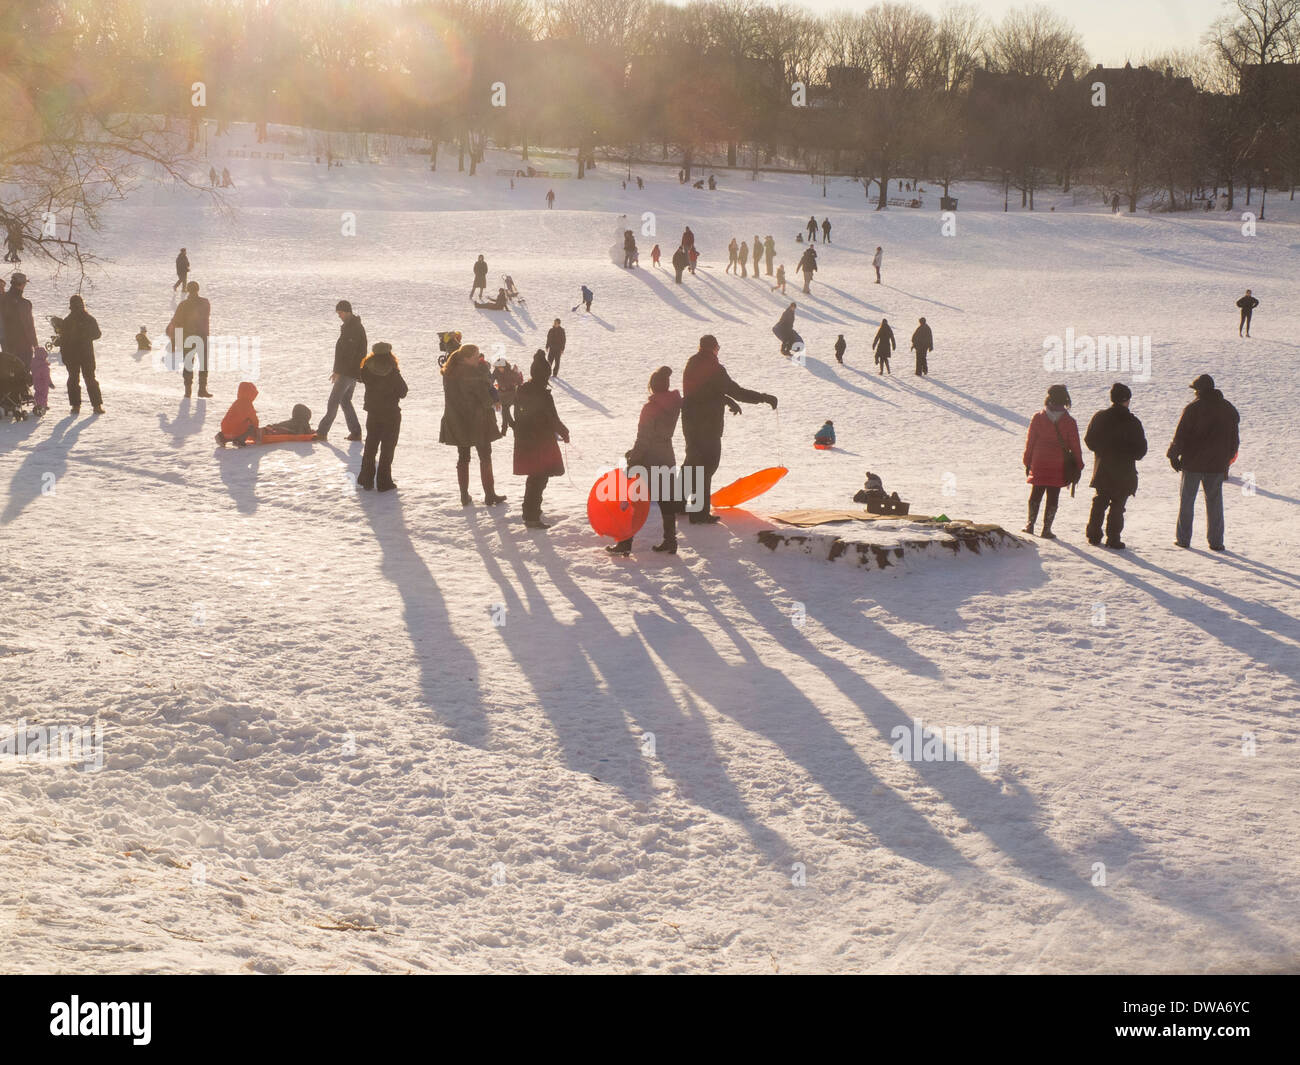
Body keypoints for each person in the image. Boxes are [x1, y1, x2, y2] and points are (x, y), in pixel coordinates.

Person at [680, 335, 777, 524]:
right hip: (707, 424)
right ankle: (698, 513)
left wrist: (725, 400)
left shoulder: (692, 363)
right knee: (707, 465)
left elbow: (702, 391)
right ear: (715, 348)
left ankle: (678, 502)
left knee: (692, 462)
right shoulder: (714, 367)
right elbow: (736, 390)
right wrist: (764, 397)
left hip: (690, 420)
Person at [609, 365, 682, 556]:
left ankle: (625, 543)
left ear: (652, 387)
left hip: (649, 459)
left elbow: (643, 438)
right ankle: (670, 541)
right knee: (666, 500)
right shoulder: (674, 404)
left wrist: (633, 460)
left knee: (633, 500)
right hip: (666, 455)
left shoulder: (650, 408)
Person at [1167, 374, 1239, 551]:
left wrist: (1173, 456)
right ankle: (1216, 542)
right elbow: (1234, 439)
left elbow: (1181, 435)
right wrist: (1226, 459)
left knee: (1187, 501)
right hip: (1216, 465)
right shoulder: (1228, 408)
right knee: (1215, 502)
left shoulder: (1193, 408)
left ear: (1200, 390)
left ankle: (1183, 539)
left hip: (1192, 464)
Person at [439, 344, 506, 506]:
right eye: (476, 356)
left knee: (463, 458)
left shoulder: (449, 371)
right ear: (467, 358)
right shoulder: (473, 373)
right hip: (478, 421)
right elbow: (485, 399)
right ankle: (490, 495)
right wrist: (492, 395)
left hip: (457, 420)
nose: (479, 358)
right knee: (485, 457)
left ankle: (464, 495)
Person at [1083, 382, 1147, 549]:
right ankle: (1113, 538)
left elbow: (1089, 440)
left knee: (1099, 502)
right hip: (1125, 472)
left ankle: (1093, 535)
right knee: (1118, 506)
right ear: (1126, 400)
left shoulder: (1100, 417)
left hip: (1103, 468)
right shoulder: (1133, 422)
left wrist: (1102, 451)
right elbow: (1141, 451)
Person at [513, 352, 570, 529]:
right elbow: (552, 418)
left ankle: (529, 511)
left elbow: (518, 415)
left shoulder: (522, 389)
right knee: (539, 478)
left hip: (525, 440)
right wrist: (564, 432)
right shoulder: (543, 395)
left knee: (534, 476)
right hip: (540, 441)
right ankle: (532, 515)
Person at [1022, 384, 1083, 539]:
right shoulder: (1069, 422)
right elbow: (1075, 445)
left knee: (1036, 492)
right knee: (1053, 494)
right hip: (1058, 463)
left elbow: (1030, 442)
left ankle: (1030, 524)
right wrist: (1079, 464)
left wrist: (1027, 460)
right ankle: (1046, 529)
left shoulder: (1038, 417)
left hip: (1039, 459)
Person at [356, 342, 408, 492]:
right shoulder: (392, 371)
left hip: (373, 413)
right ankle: (384, 482)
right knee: (387, 448)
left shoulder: (366, 369)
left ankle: (366, 480)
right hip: (391, 414)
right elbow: (403, 391)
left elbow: (361, 378)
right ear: (389, 353)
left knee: (370, 446)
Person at [316, 299, 366, 442]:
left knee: (334, 401)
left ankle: (322, 432)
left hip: (348, 372)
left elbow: (349, 353)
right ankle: (356, 432)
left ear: (348, 311)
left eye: (341, 313)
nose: (339, 315)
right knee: (345, 400)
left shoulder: (354, 328)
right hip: (351, 371)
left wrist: (339, 371)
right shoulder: (351, 326)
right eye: (338, 313)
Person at [55, 294, 104, 414]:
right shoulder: (89, 319)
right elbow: (97, 334)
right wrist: (86, 336)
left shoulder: (67, 321)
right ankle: (97, 406)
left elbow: (63, 340)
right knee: (90, 379)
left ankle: (75, 406)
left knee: (73, 379)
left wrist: (64, 355)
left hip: (72, 355)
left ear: (70, 306)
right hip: (86, 354)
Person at [166, 280, 213, 397]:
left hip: (188, 337)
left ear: (187, 290)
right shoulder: (205, 302)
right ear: (198, 289)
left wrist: (174, 341)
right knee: (203, 363)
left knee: (188, 363)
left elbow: (177, 322)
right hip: (202, 336)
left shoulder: (183, 305)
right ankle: (202, 389)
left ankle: (188, 391)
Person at [0, 271, 38, 369]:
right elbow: (29, 327)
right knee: (22, 376)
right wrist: (35, 345)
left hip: (7, 346)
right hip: (23, 347)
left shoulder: (2, 299)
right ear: (22, 285)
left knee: (9, 376)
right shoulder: (24, 304)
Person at [492, 356, 523, 435]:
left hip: (511, 394)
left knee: (505, 410)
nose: (499, 369)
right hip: (501, 394)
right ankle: (505, 429)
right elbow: (491, 380)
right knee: (505, 411)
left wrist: (516, 373)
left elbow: (519, 382)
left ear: (504, 366)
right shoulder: (496, 372)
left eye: (501, 367)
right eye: (498, 367)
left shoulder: (510, 372)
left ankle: (509, 427)